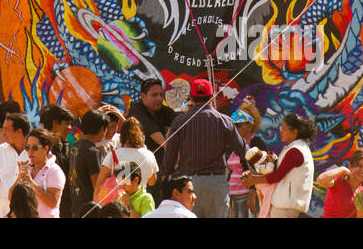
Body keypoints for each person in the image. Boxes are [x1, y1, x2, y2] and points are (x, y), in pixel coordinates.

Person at [162, 78, 250, 218]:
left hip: (189, 184)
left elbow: (170, 155)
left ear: (191, 97)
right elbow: (242, 150)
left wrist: (166, 173)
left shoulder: (180, 121)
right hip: (216, 182)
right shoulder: (224, 121)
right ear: (212, 96)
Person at [243, 113, 316, 218]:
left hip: (286, 206)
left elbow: (277, 176)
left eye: (284, 128)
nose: (280, 131)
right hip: (286, 205)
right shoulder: (297, 148)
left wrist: (254, 180)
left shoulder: (296, 150)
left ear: (294, 132)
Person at [95, 117, 158, 205]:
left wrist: (96, 205)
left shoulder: (113, 155)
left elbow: (99, 184)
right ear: (140, 134)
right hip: (141, 202)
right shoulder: (149, 155)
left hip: (119, 203)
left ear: (122, 135)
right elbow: (152, 182)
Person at [66, 110, 108, 217]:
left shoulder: (75, 146)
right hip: (89, 209)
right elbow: (96, 183)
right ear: (102, 128)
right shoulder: (92, 151)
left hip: (75, 205)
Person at [0, 112, 30, 218]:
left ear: (19, 131)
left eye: (6, 129)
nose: (3, 133)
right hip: (1, 211)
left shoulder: (34, 152)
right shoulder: (0, 150)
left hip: (26, 212)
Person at [19, 128, 65, 218]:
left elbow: (52, 202)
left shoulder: (55, 171)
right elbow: (11, 198)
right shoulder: (27, 169)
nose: (30, 152)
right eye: (27, 148)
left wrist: (31, 183)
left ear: (46, 148)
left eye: (35, 148)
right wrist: (19, 177)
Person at [317, 150, 363, 218]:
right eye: (359, 166)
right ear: (350, 166)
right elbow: (321, 180)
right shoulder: (339, 181)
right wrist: (342, 170)